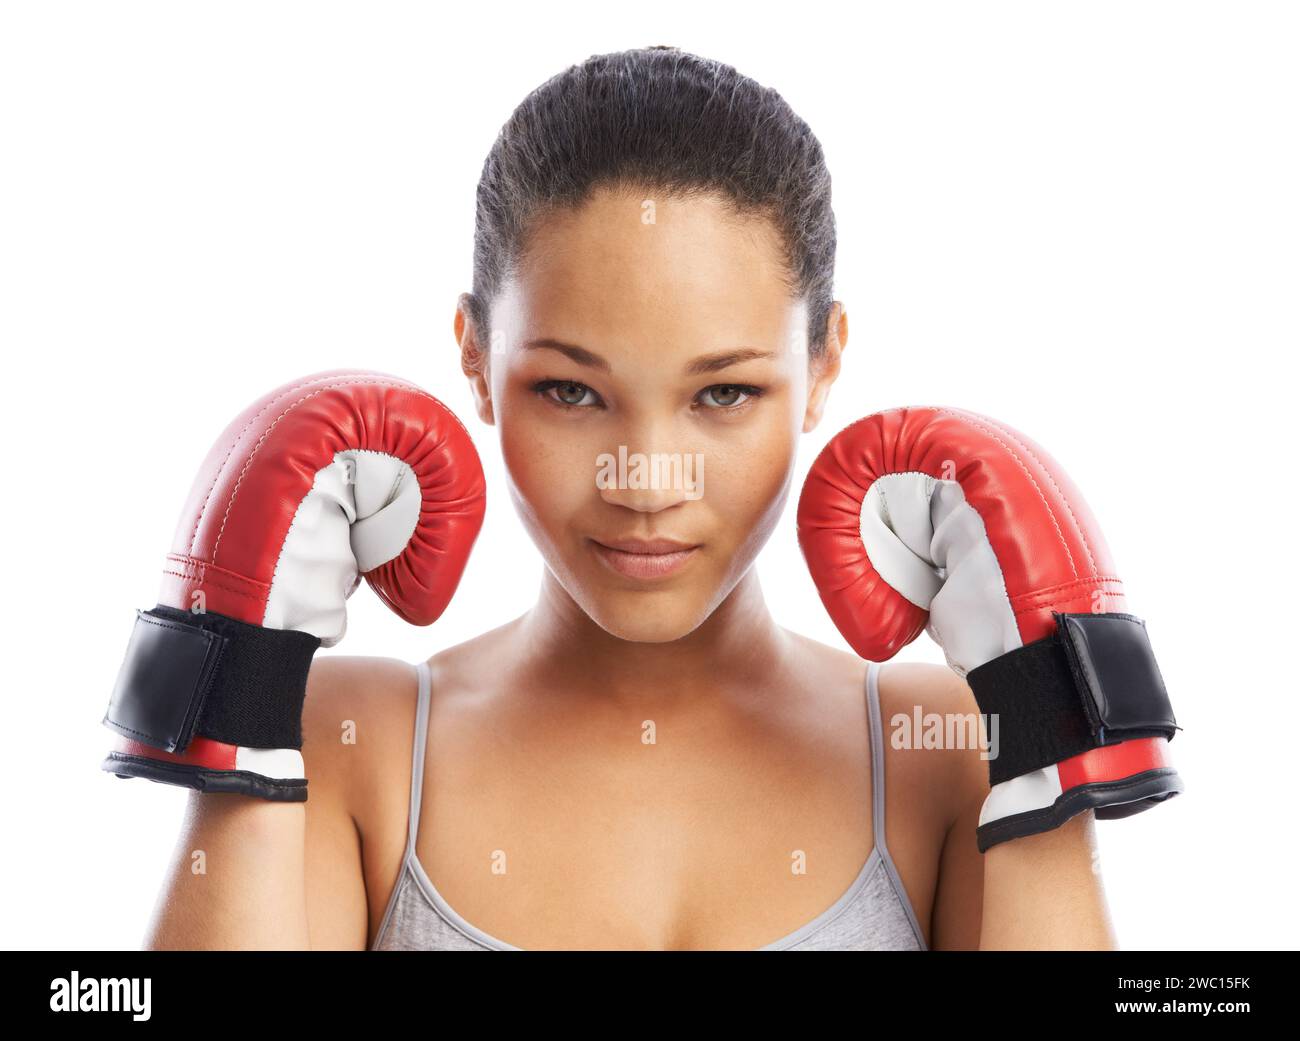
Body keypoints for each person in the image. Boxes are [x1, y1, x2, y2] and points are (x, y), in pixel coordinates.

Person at [138, 46, 1120, 950]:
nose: (648, 481)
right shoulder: (355, 748)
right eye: (571, 391)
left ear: (822, 367)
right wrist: (243, 692)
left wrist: (1039, 724)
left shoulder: (944, 748)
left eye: (722, 393)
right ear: (476, 362)